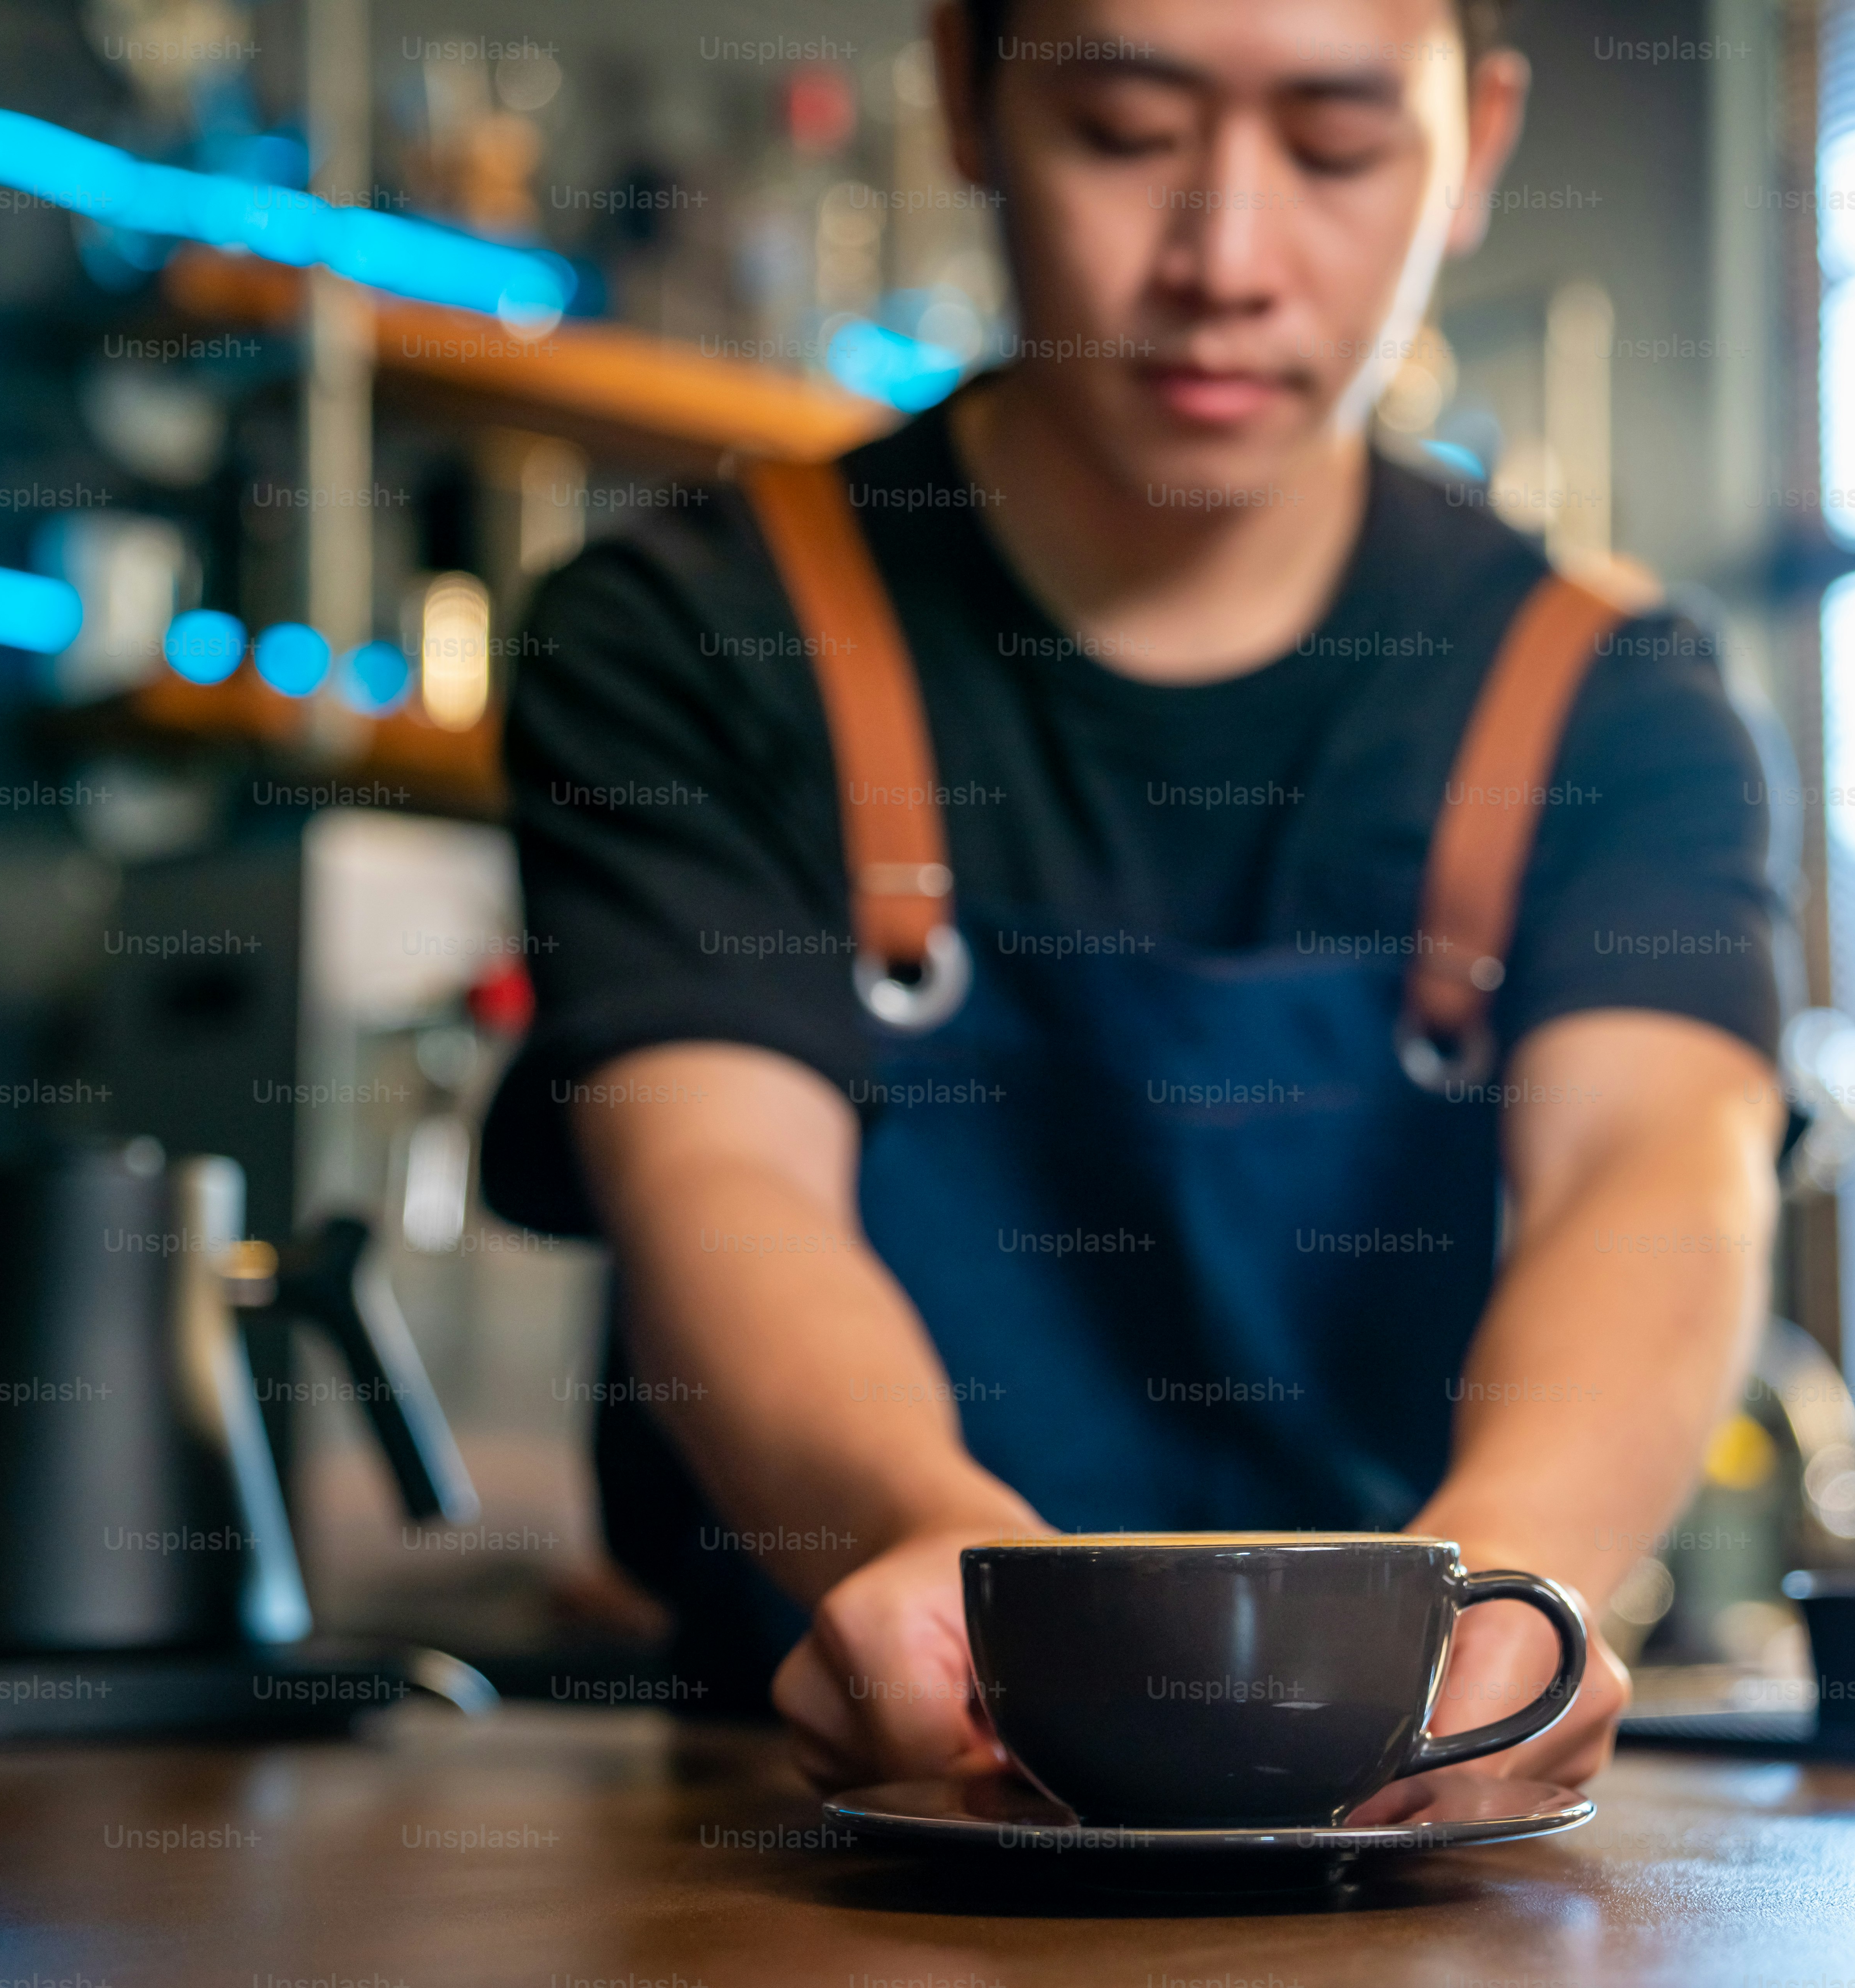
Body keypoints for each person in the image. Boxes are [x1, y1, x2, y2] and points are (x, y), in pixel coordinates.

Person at [479, 0, 1789, 1796]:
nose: (1226, 260)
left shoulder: (1613, 698)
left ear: (1477, 145)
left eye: (1335, 150)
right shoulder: (690, 638)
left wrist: (1504, 1588)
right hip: (816, 1816)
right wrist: (918, 1537)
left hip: (1402, 1801)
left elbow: (1659, 1175)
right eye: (1119, 129)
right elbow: (717, 1176)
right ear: (964, 96)